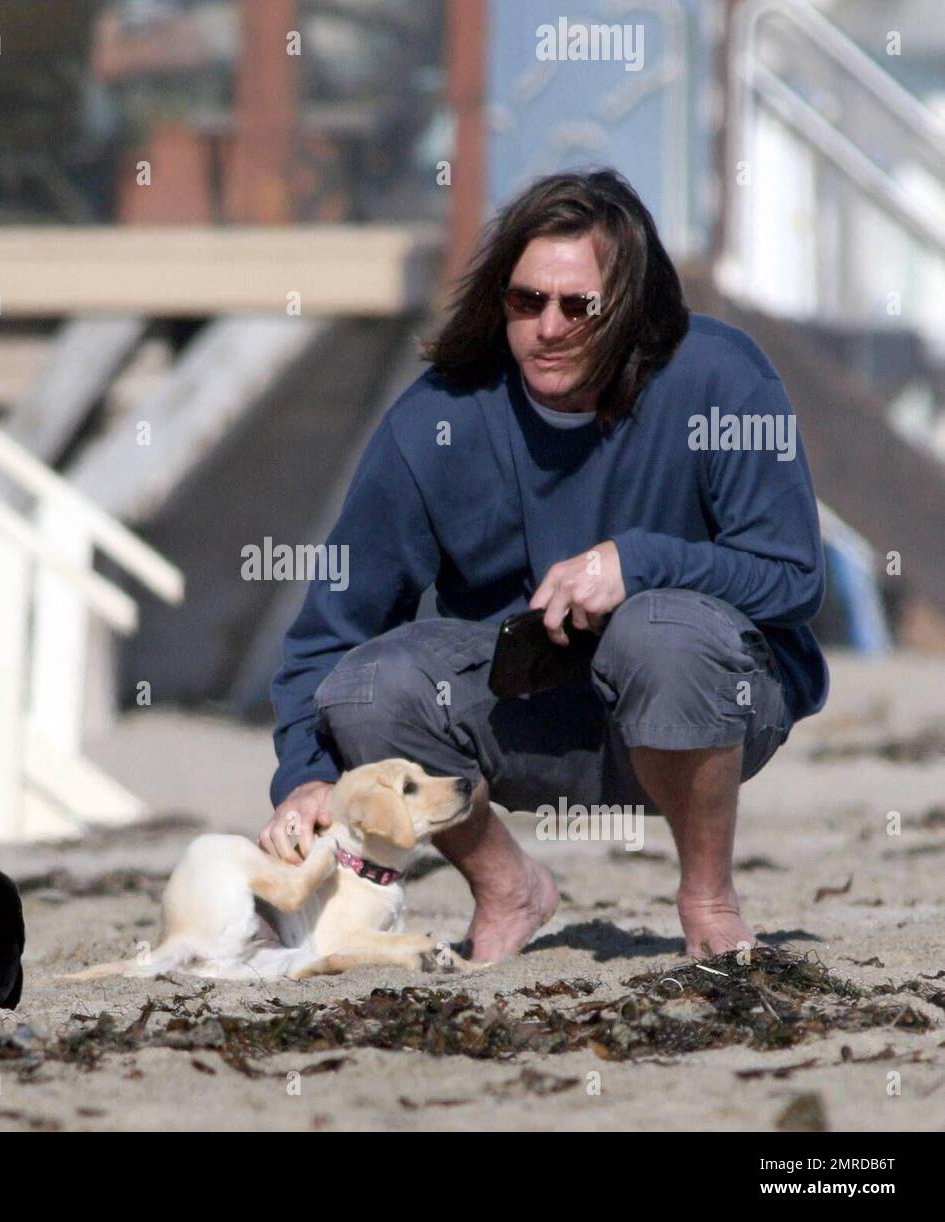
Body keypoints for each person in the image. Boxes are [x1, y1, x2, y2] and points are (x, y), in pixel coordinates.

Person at [260, 168, 827, 961]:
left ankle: (708, 896)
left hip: (718, 701)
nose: (548, 326)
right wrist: (304, 778)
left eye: (578, 306)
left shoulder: (723, 377)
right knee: (362, 687)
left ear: (629, 307)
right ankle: (508, 889)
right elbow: (329, 636)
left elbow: (795, 579)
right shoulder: (436, 420)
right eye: (526, 301)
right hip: (527, 712)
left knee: (660, 627)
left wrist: (641, 563)